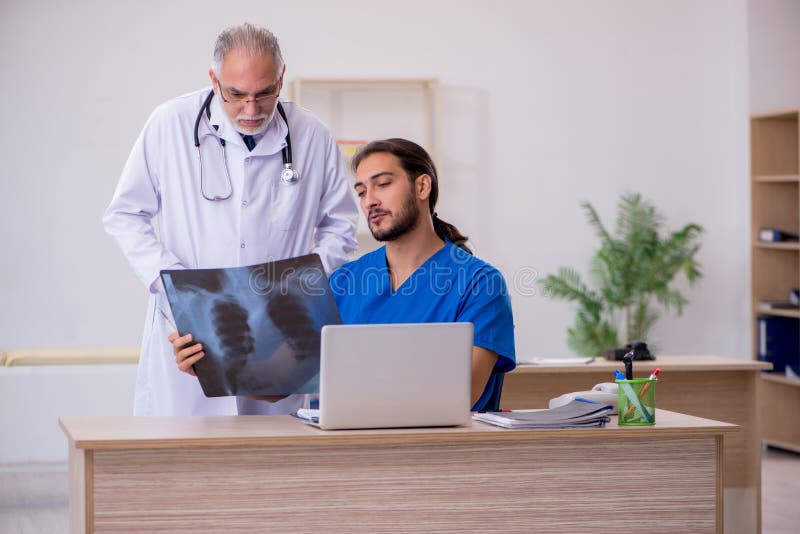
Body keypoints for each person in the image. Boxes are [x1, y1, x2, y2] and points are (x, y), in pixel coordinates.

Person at [103, 23, 358, 416]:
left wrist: (300, 290)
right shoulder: (169, 123)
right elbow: (124, 214)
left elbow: (340, 224)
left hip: (281, 331)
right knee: (184, 467)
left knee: (274, 469)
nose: (251, 109)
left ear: (282, 77)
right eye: (236, 95)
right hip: (189, 325)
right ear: (214, 79)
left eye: (265, 93)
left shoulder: (312, 135)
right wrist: (173, 284)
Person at [173, 138, 515, 411]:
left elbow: (462, 394)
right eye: (362, 191)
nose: (370, 201)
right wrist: (211, 362)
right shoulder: (344, 281)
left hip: (439, 460)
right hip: (344, 456)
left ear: (422, 186)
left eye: (383, 184)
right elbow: (286, 380)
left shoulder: (479, 283)